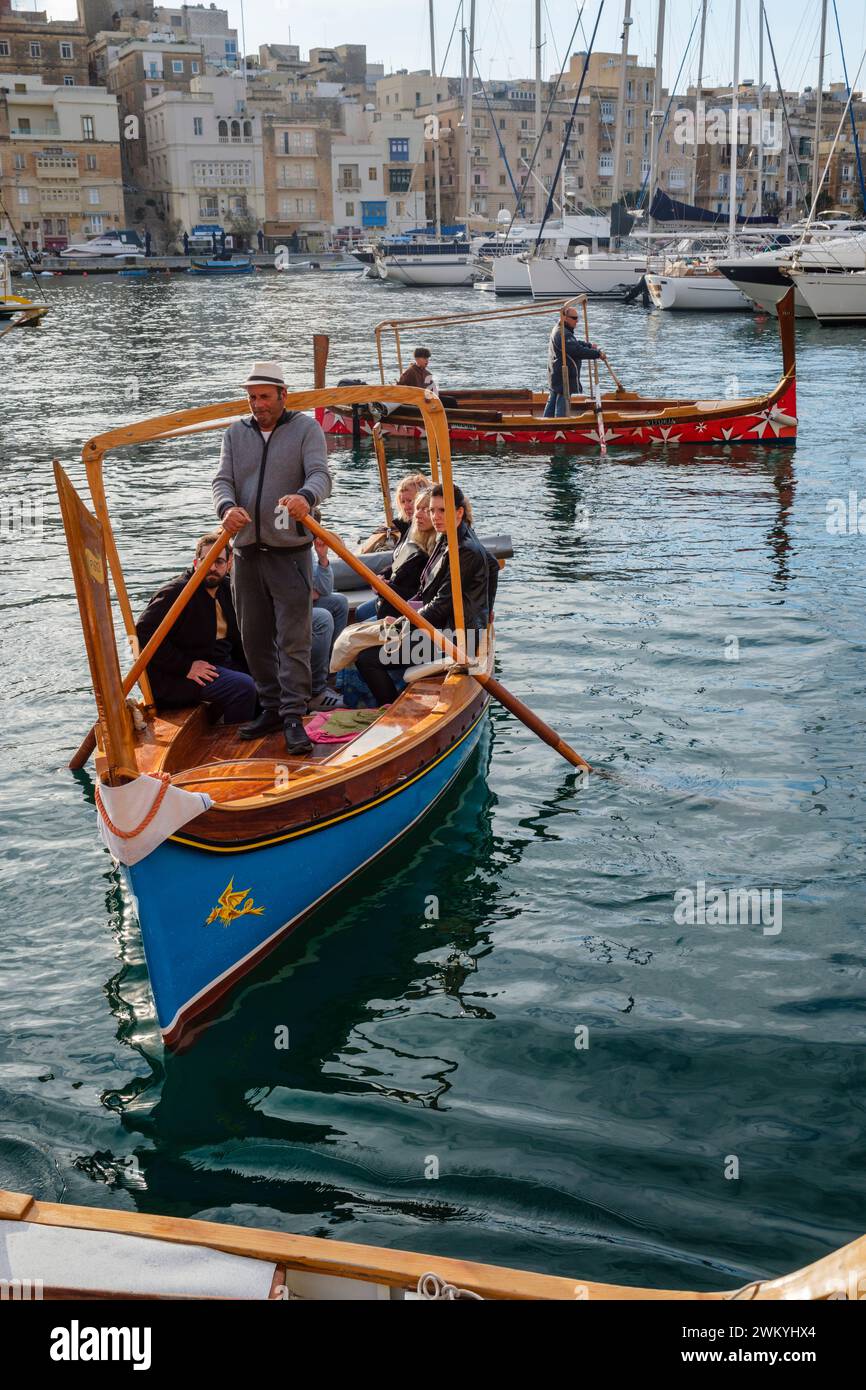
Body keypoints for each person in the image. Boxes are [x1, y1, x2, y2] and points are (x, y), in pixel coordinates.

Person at [213, 360, 332, 755]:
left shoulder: (306, 429)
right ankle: (270, 708)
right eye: (252, 398)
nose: (258, 405)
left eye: (264, 397)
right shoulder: (235, 433)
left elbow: (321, 475)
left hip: (291, 554)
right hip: (245, 552)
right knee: (254, 637)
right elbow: (222, 481)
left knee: (293, 637)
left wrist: (306, 498)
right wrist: (226, 508)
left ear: (284, 395)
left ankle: (294, 716)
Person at [354, 484, 496, 705]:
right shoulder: (450, 536)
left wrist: (402, 625)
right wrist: (487, 610)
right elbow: (493, 565)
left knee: (367, 658)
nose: (436, 517)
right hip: (441, 630)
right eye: (432, 510)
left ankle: (391, 709)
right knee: (363, 640)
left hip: (453, 639)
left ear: (459, 512)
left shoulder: (464, 550)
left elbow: (441, 605)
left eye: (442, 511)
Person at [135, 533, 256, 723]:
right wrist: (185, 666)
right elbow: (142, 633)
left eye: (219, 562)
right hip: (175, 676)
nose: (213, 568)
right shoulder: (175, 593)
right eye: (206, 561)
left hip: (216, 661)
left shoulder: (227, 589)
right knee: (244, 687)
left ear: (228, 564)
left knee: (268, 678)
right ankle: (232, 742)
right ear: (196, 562)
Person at [355, 484, 438, 622]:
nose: (409, 508)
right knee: (360, 612)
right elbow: (398, 566)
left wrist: (388, 588)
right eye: (418, 508)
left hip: (408, 611)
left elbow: (422, 594)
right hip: (393, 599)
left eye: (425, 509)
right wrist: (382, 577)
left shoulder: (434, 549)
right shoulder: (411, 534)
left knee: (356, 631)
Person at [311, 529, 348, 710]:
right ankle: (315, 691)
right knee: (323, 618)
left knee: (338, 602)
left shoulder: (304, 550)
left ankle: (331, 673)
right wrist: (304, 593)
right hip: (283, 608)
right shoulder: (278, 547)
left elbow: (324, 590)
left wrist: (323, 558)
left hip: (302, 604)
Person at [543, 307, 603, 417]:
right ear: (565, 318)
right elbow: (577, 351)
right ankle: (559, 427)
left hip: (555, 374)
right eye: (574, 318)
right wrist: (597, 354)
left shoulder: (560, 330)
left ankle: (545, 425)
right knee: (562, 403)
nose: (577, 321)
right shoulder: (563, 334)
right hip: (563, 376)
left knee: (553, 398)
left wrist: (588, 345)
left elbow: (574, 343)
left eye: (577, 318)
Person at [358, 471, 429, 554]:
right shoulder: (406, 526)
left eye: (410, 501)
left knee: (341, 565)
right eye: (403, 502)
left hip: (400, 562)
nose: (406, 507)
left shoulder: (426, 529)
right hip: (397, 559)